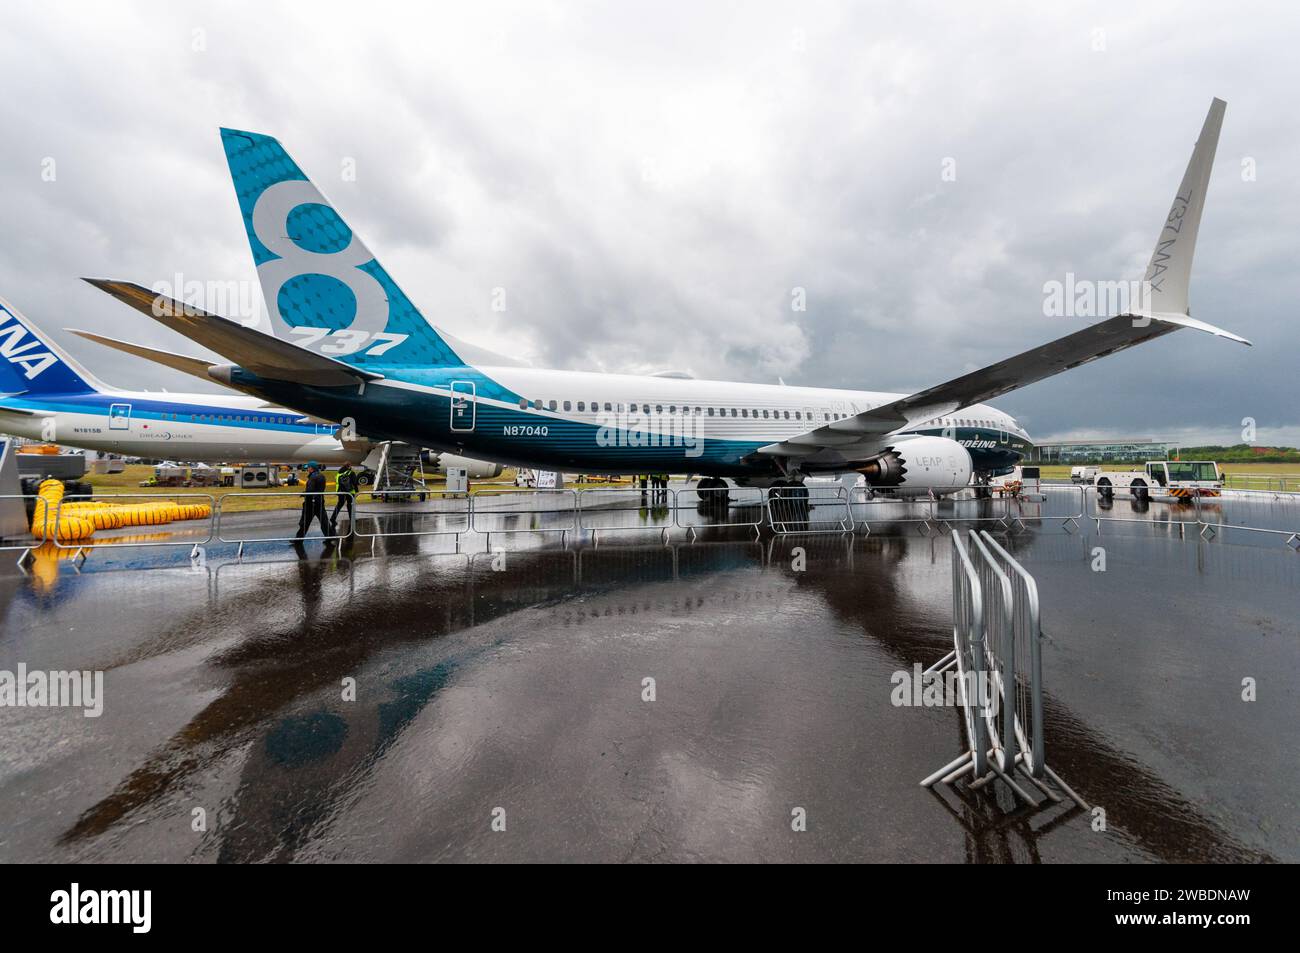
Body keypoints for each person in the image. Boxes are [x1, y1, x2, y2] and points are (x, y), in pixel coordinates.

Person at [295, 461, 330, 539]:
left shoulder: (313, 477)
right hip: (319, 501)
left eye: (308, 467)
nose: (307, 469)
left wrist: (304, 493)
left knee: (305, 523)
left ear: (312, 468)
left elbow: (310, 490)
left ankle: (298, 540)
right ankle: (330, 537)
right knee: (324, 522)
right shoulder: (321, 476)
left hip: (311, 503)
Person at [330, 461, 359, 533]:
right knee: (350, 505)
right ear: (349, 466)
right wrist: (357, 491)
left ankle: (333, 518)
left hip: (341, 492)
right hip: (350, 492)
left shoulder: (339, 473)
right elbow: (355, 483)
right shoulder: (351, 473)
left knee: (339, 505)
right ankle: (352, 519)